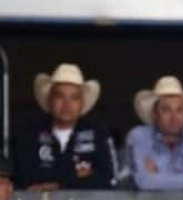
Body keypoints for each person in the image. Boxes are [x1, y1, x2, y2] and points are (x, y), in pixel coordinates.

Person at [14, 63, 119, 191]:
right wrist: (79, 176)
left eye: (74, 98)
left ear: (82, 103)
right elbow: (23, 179)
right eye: (59, 96)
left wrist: (59, 185)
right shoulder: (30, 132)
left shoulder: (98, 132)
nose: (67, 104)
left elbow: (109, 180)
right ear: (49, 99)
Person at [125, 75, 183, 192]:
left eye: (179, 110)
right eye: (166, 110)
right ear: (155, 114)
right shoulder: (140, 136)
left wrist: (158, 176)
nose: (174, 117)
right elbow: (144, 182)